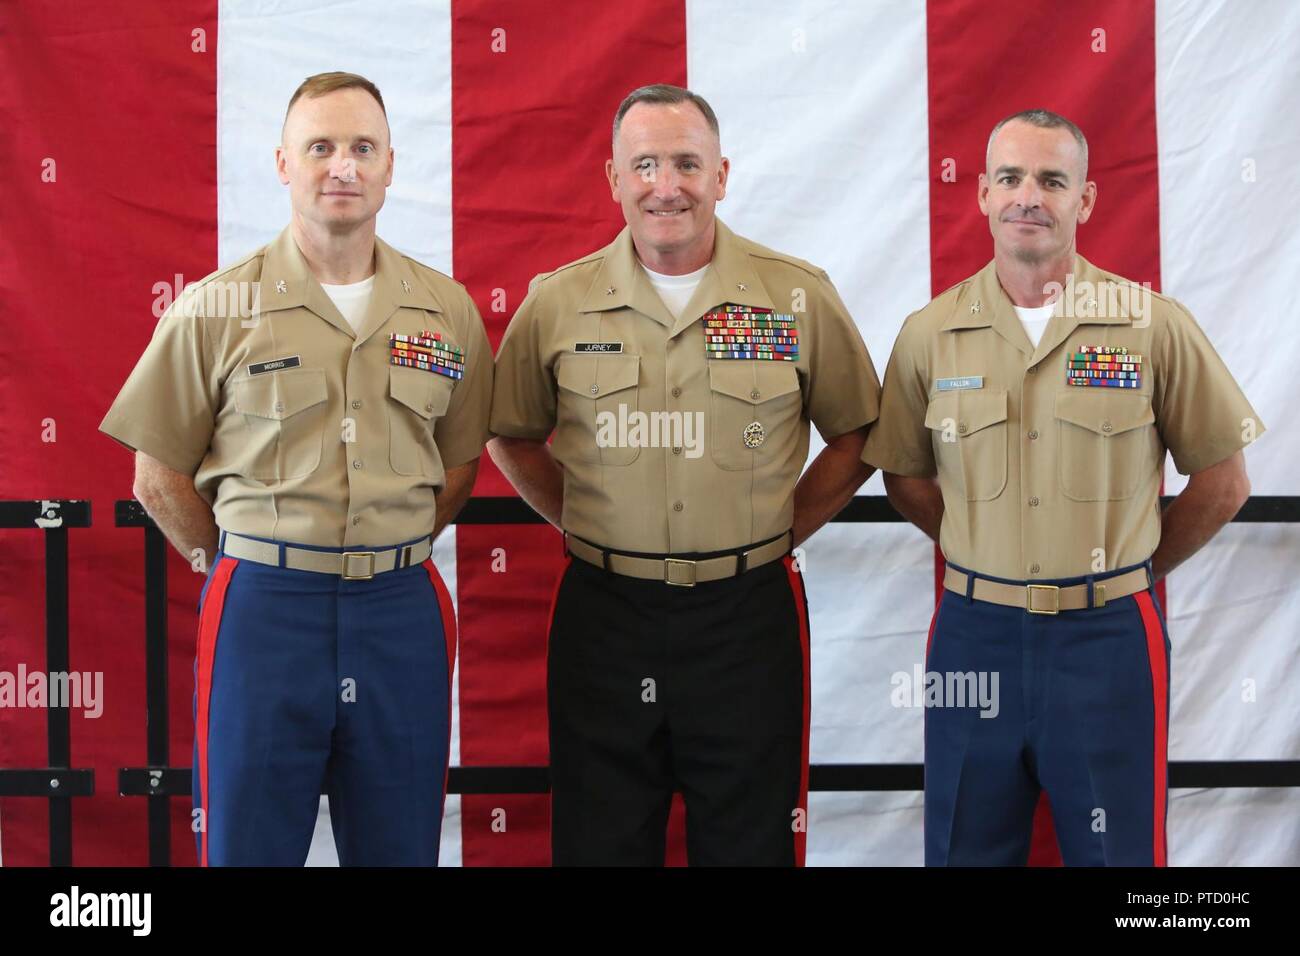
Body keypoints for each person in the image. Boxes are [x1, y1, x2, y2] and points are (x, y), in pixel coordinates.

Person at [99, 71, 493, 866]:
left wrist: (382, 539)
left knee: (400, 850)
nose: (341, 166)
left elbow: (457, 465)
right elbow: (156, 473)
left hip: (399, 610)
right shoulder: (214, 307)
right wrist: (232, 565)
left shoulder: (447, 310)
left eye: (361, 148)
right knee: (248, 848)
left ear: (390, 165)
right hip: (264, 612)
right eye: (320, 148)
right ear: (283, 164)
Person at [488, 84, 881, 866]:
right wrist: (585, 517)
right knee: (601, 843)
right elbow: (510, 432)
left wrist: (779, 527)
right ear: (613, 178)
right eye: (645, 165)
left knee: (750, 844)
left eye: (687, 164)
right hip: (606, 615)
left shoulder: (796, 295)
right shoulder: (557, 302)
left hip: (747, 617)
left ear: (723, 174)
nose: (666, 185)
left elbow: (859, 431)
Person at [863, 109, 1263, 866]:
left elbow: (1222, 481)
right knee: (962, 850)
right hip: (973, 637)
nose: (1029, 197)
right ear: (981, 193)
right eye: (1011, 178)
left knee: (1121, 861)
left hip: (1108, 640)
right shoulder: (929, 333)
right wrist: (983, 543)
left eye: (1052, 180)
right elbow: (905, 475)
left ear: (1085, 201)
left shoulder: (1152, 327)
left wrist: (1132, 569)